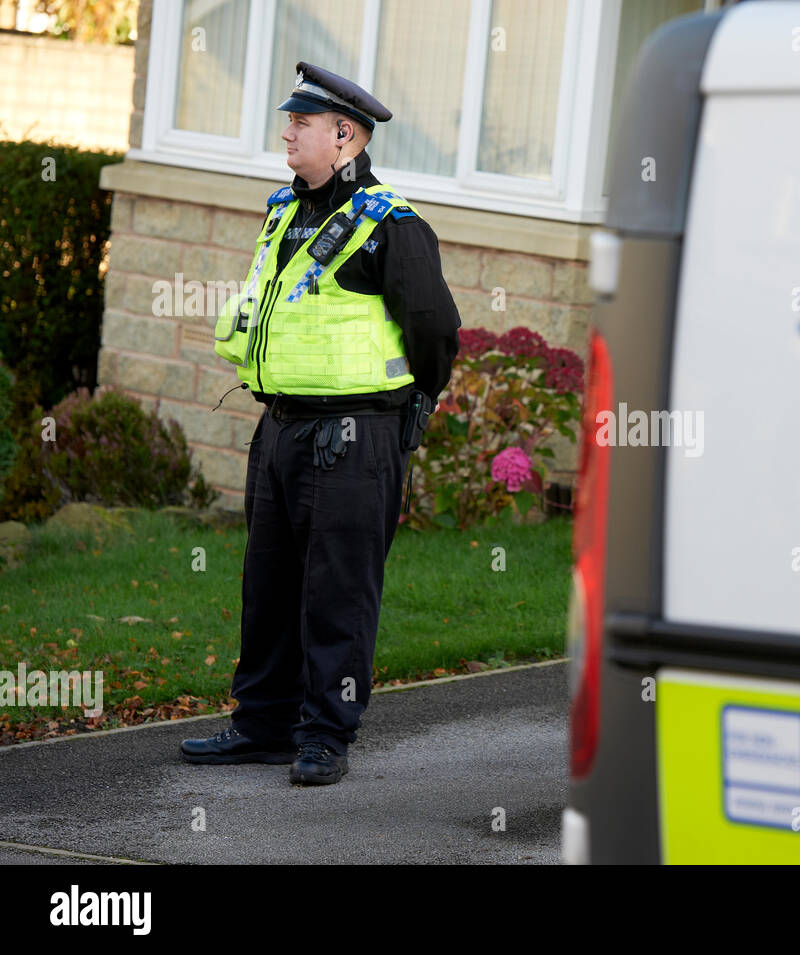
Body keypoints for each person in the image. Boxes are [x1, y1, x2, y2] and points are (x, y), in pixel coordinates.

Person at [181, 62, 460, 785]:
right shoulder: (284, 211)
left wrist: (416, 405)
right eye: (289, 122)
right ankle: (263, 725)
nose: (286, 133)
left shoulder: (390, 225)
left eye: (299, 124)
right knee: (267, 584)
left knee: (338, 590)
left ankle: (325, 737)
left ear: (344, 135)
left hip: (354, 436)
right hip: (279, 428)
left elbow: (433, 327)